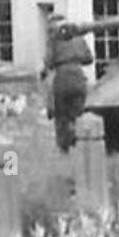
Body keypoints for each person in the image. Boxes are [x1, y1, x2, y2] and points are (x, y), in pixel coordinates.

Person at [42, 13, 94, 153]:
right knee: (77, 113)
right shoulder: (78, 37)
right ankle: (79, 143)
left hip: (62, 78)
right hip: (78, 77)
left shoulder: (54, 39)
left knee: (61, 115)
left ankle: (64, 148)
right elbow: (89, 58)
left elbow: (49, 62)